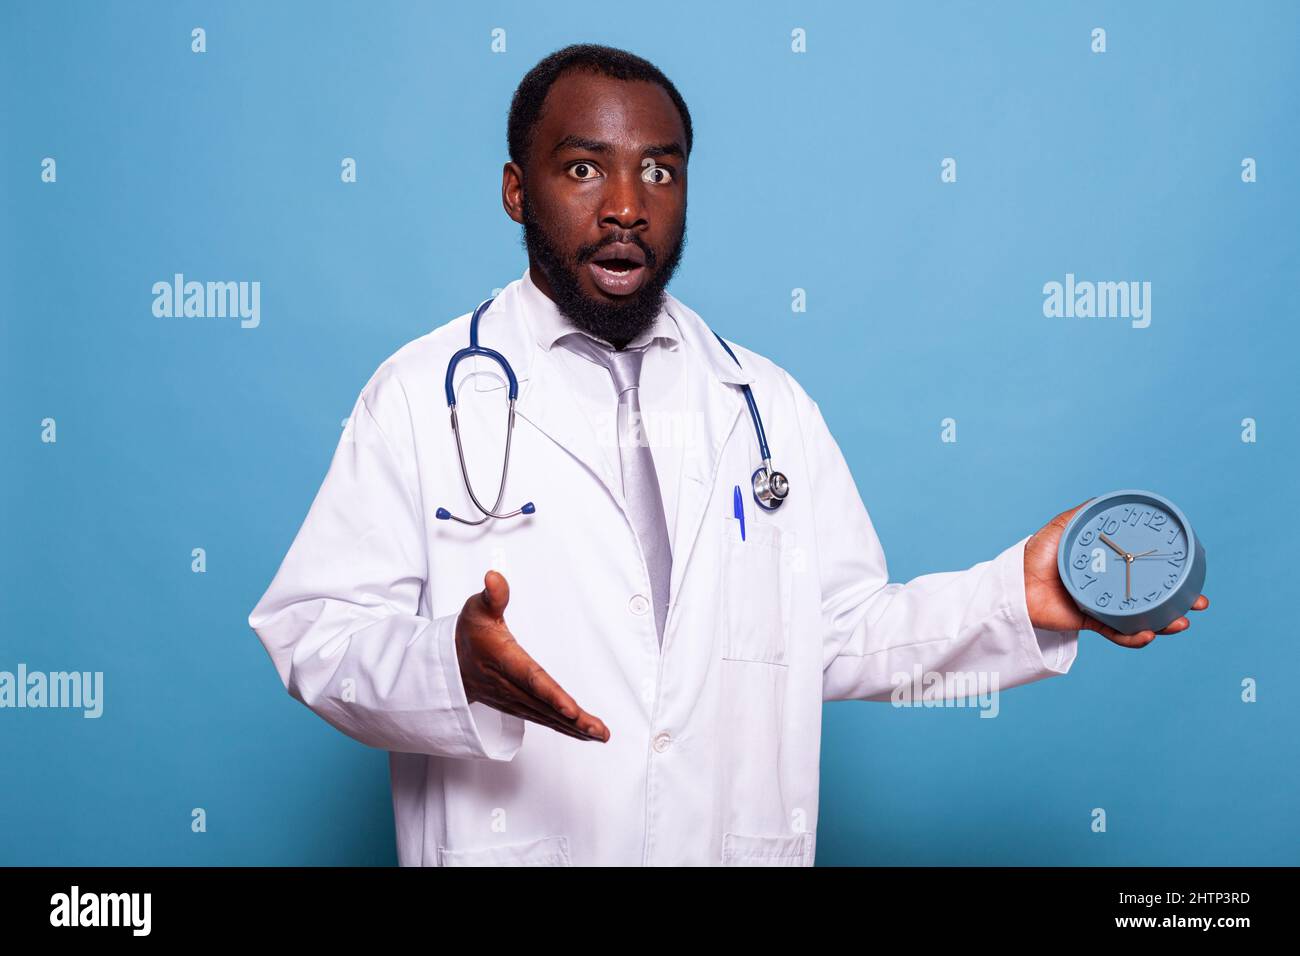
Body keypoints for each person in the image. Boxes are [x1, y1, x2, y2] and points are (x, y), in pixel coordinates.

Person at [247, 43, 1209, 866]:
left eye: (659, 172)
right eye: (585, 168)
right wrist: (446, 666)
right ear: (516, 189)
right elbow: (312, 632)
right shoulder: (422, 394)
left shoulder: (765, 404)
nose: (627, 205)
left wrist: (1015, 599)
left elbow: (835, 632)